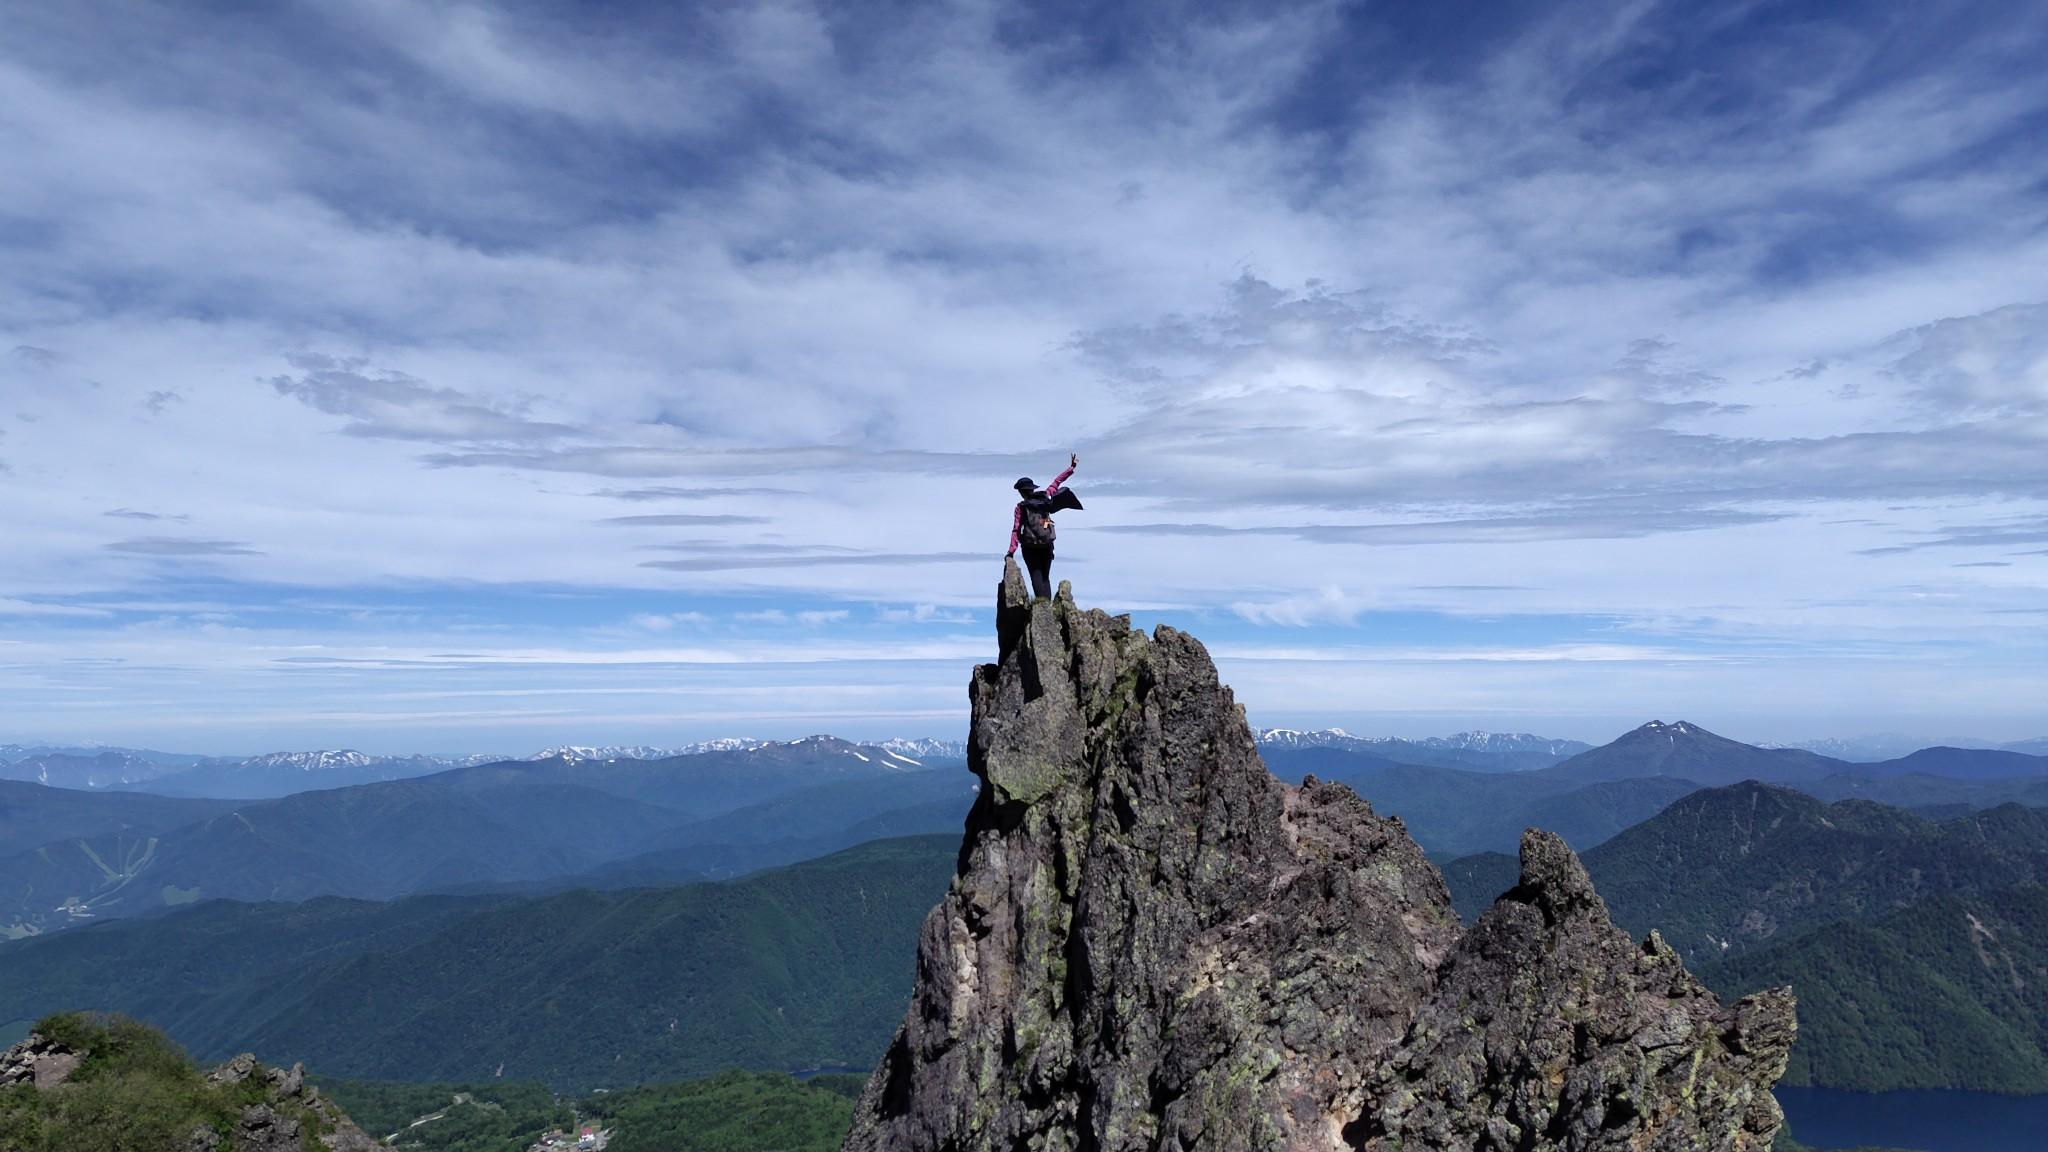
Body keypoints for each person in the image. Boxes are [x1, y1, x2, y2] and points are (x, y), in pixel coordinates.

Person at [1006, 453, 1077, 599]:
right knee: (1045, 577)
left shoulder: (1021, 507)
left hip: (1030, 546)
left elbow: (1016, 529)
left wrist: (1011, 551)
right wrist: (1071, 467)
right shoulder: (1046, 497)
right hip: (1047, 544)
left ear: (1021, 492)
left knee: (1035, 575)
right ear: (1032, 489)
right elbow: (1057, 482)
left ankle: (1041, 608)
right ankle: (1048, 611)